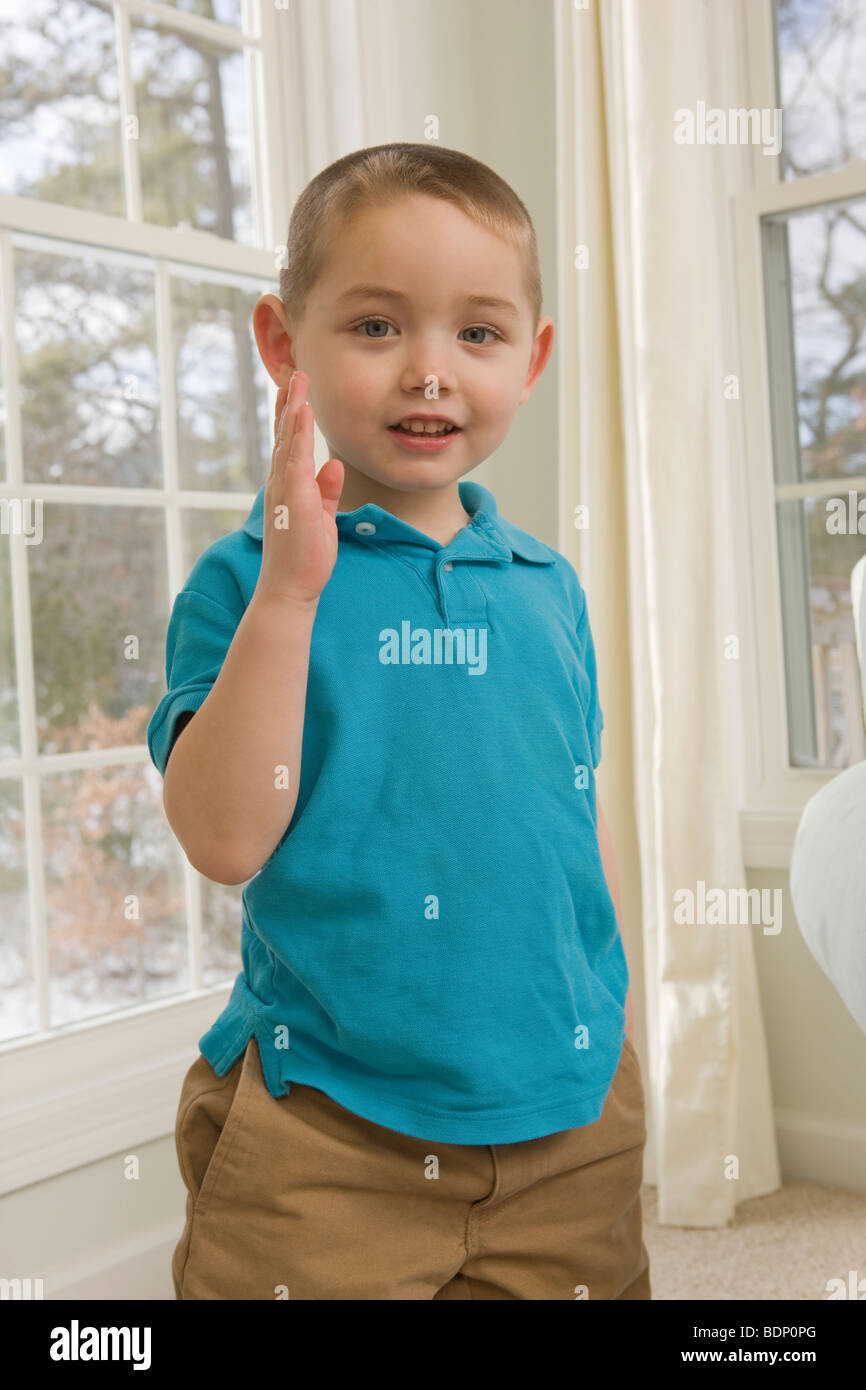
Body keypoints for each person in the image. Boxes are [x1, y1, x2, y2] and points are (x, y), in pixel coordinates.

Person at [147, 142, 651, 1301]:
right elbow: (225, 839)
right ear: (285, 345)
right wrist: (290, 590)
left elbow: (576, 815)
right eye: (376, 327)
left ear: (529, 361)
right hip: (323, 1134)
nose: (429, 370)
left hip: (565, 1122)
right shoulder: (245, 583)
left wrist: (613, 1014)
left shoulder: (548, 586)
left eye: (475, 335)